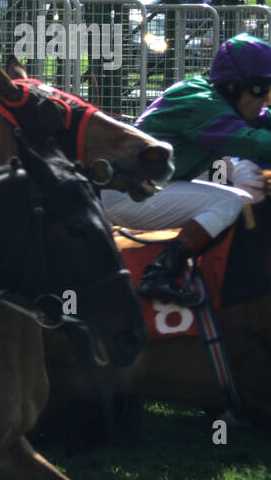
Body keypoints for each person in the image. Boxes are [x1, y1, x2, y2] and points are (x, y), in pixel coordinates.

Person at [102, 33, 271, 306]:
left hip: (150, 188)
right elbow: (252, 143)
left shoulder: (218, 99)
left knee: (240, 201)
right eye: (259, 89)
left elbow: (264, 120)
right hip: (126, 196)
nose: (265, 99)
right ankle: (159, 275)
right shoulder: (203, 105)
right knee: (229, 201)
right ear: (232, 86)